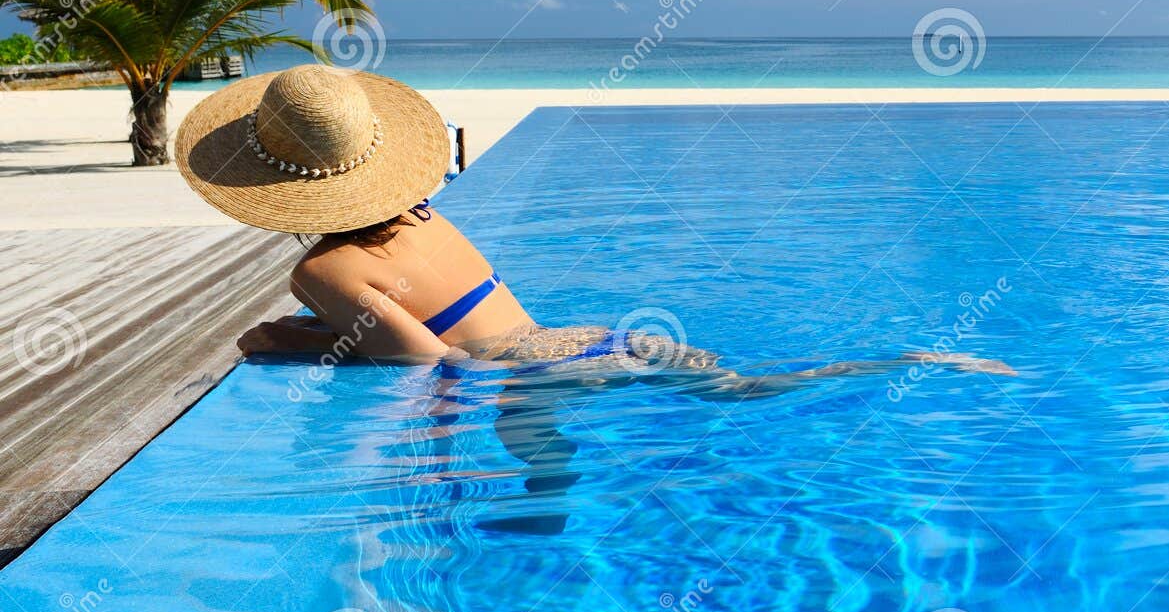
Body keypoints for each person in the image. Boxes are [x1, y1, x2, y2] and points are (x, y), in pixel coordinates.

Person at [175, 63, 1016, 394]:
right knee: (749, 387)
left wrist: (290, 343)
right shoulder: (427, 215)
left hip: (542, 374)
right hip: (590, 336)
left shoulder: (322, 273)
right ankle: (909, 357)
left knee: (750, 398)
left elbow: (429, 360)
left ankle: (903, 364)